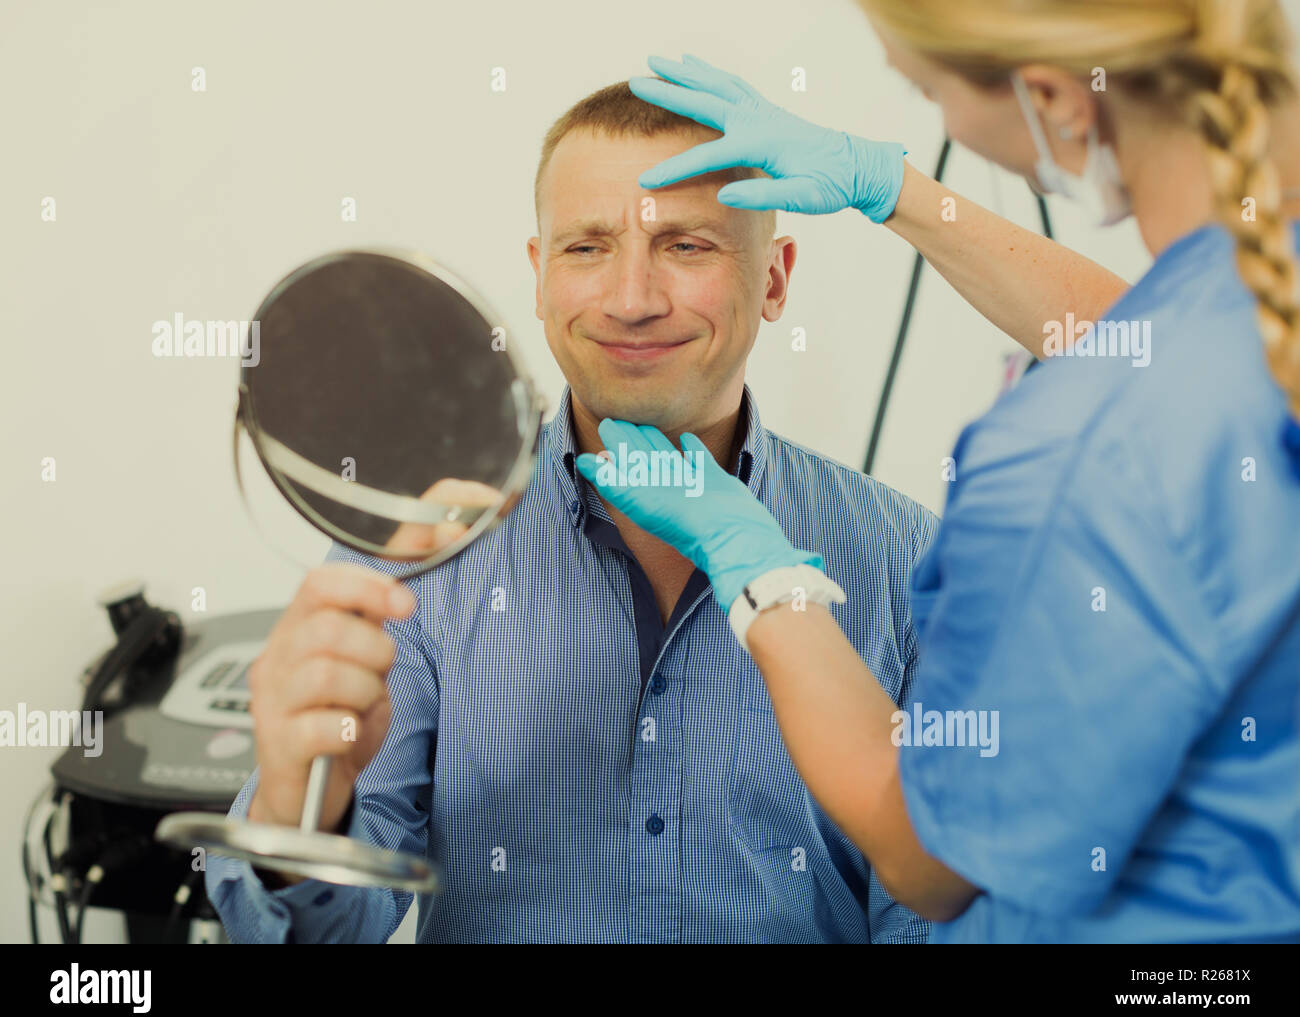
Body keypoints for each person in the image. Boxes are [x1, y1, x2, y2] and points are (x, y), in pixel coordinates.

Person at [578, 1, 1300, 942]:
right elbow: (1164, 352)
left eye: (928, 94)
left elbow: (929, 859)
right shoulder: (1245, 332)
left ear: (1056, 99)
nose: (634, 298)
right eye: (587, 246)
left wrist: (754, 565)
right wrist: (893, 189)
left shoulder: (1068, 458)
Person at [208, 81, 961, 943]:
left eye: (684, 245)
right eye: (587, 248)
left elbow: (942, 912)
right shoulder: (414, 550)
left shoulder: (909, 558)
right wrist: (298, 813)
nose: (630, 298)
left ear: (775, 279)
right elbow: (316, 931)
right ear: (538, 276)